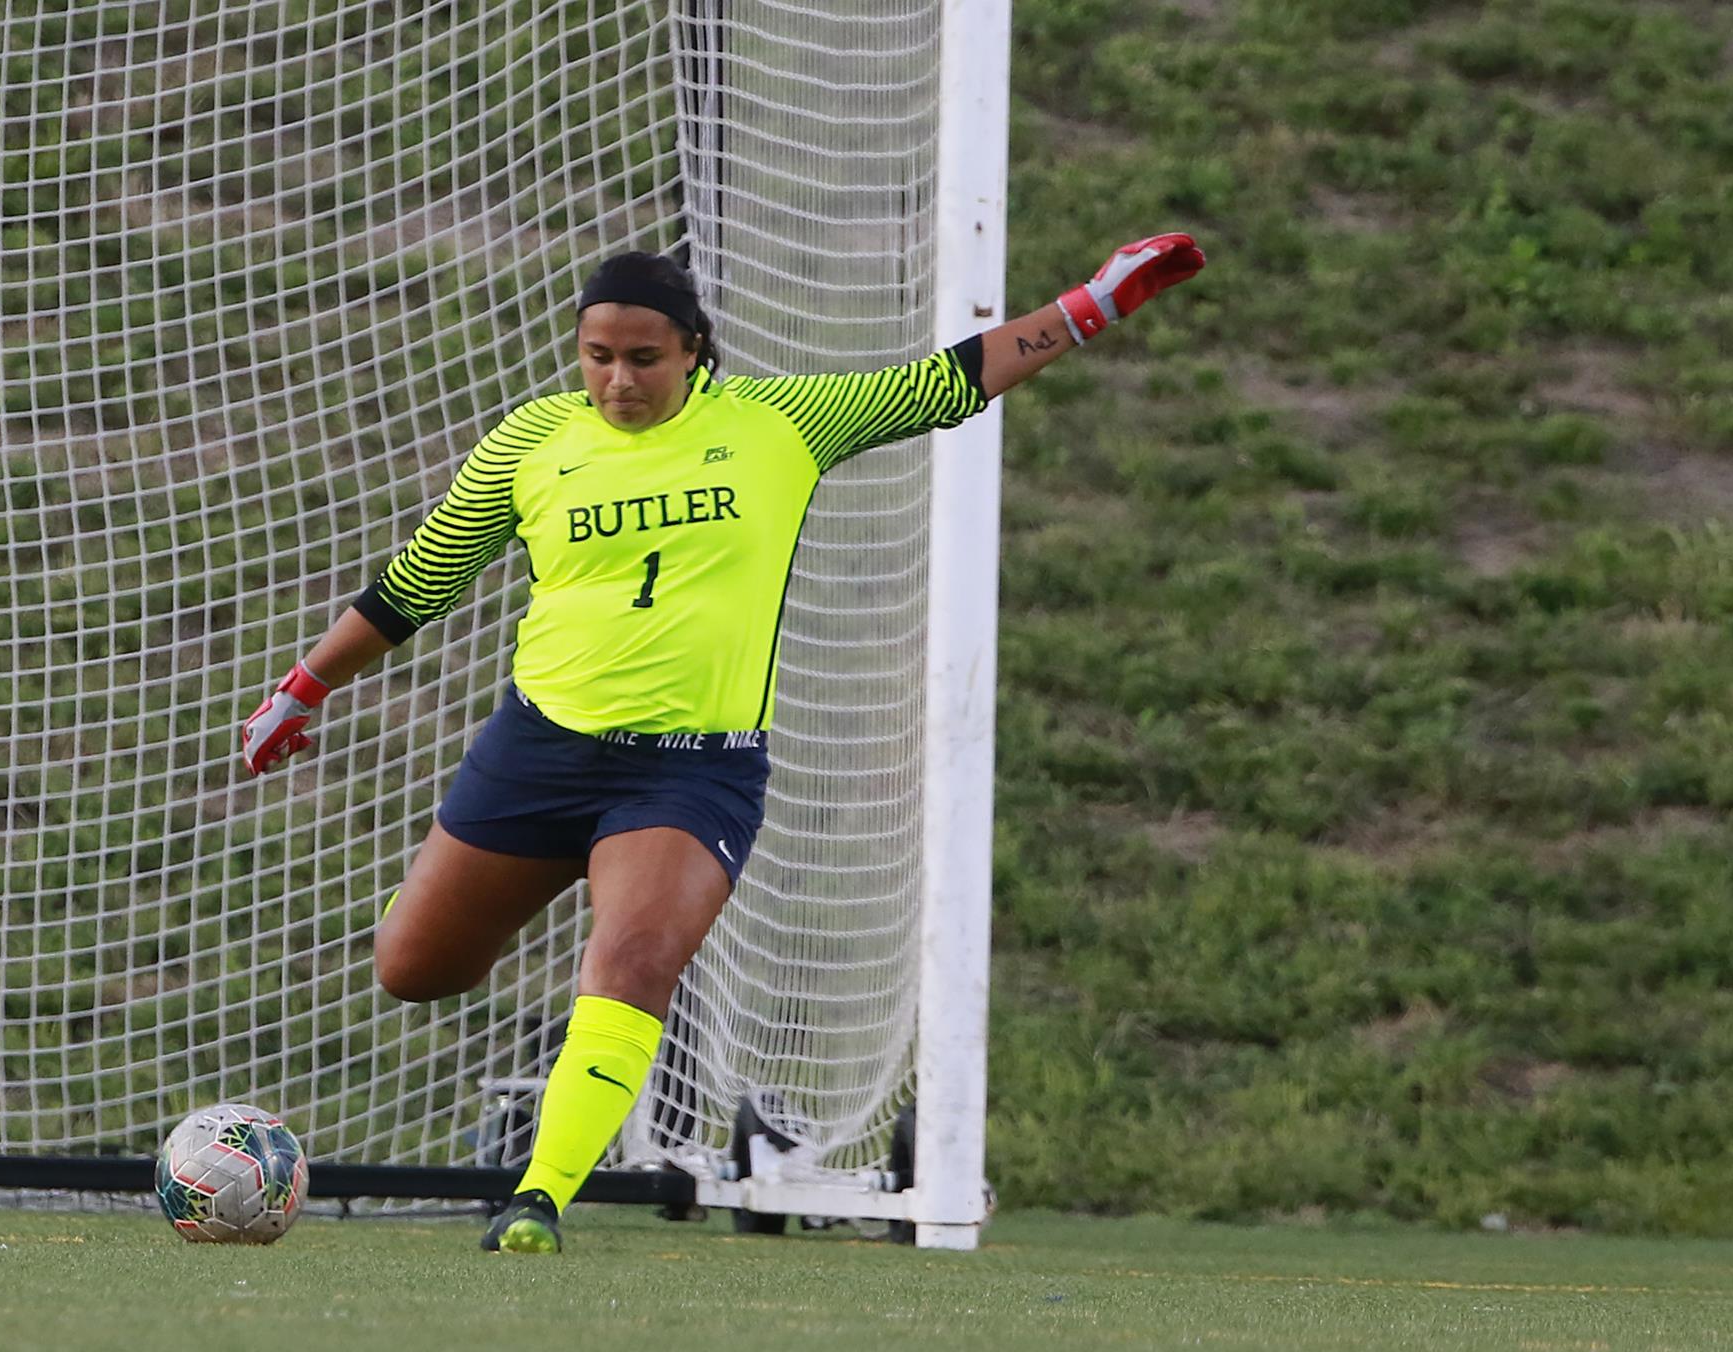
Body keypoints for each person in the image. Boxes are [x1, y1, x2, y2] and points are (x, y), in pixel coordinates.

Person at [239, 234, 1207, 1253]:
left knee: (635, 958)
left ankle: (537, 1198)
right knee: (412, 968)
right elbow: (418, 581)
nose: (618, 379)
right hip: (536, 751)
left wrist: (1092, 304)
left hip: (686, 771)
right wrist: (302, 686)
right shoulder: (533, 440)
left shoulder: (778, 424)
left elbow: (947, 382)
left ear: (695, 349)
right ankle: (559, 1019)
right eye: (597, 355)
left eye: (643, 358)